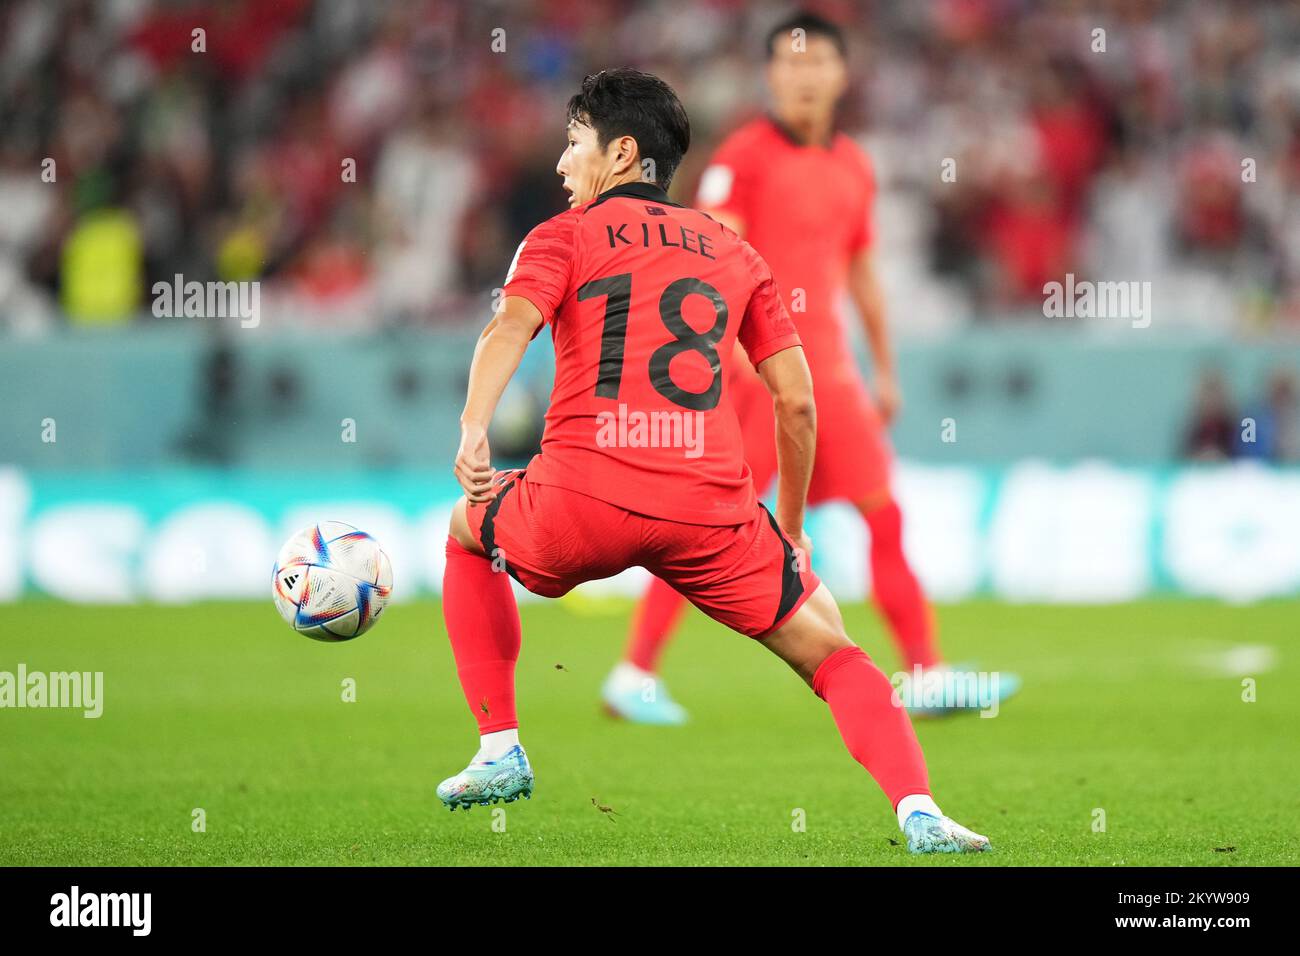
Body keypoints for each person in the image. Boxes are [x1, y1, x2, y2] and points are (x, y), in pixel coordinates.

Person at [435, 68, 989, 853]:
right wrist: (790, 530)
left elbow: (508, 329)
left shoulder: (562, 236)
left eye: (573, 143)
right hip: (710, 510)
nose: (562, 164)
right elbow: (797, 403)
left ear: (622, 152)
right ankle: (920, 809)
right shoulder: (735, 249)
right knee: (835, 656)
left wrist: (474, 427)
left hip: (579, 497)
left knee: (466, 530)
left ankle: (499, 749)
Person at [603, 12, 1018, 724]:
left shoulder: (853, 164)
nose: (804, 77)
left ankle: (925, 672)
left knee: (885, 515)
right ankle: (633, 673)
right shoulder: (744, 157)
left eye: (817, 63)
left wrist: (883, 369)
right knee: (705, 527)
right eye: (790, 65)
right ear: (770, 75)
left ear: (841, 75)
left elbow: (859, 269)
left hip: (831, 373)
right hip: (759, 375)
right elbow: (707, 261)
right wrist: (720, 366)